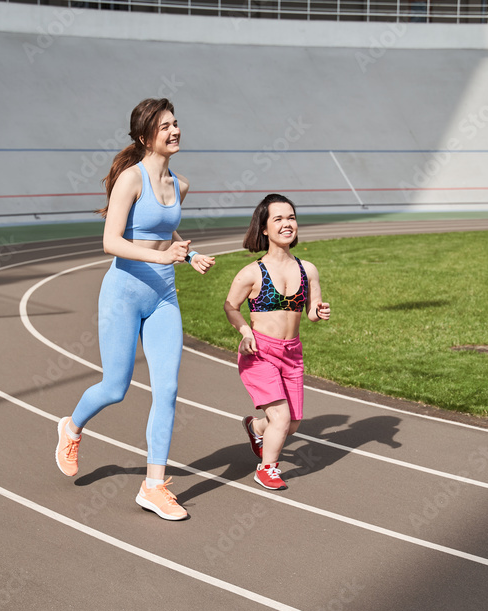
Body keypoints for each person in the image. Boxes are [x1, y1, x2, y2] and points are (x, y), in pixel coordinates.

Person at [54, 98, 215, 521]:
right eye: (165, 126)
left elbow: (163, 228)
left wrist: (187, 254)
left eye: (176, 123)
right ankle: (71, 428)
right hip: (124, 292)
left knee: (167, 390)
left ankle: (154, 486)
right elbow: (111, 241)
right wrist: (161, 257)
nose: (175, 130)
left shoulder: (180, 186)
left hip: (163, 296)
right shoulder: (131, 179)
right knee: (115, 387)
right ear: (146, 136)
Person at [223, 194, 330, 490]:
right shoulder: (252, 273)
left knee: (292, 424)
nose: (287, 224)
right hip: (260, 352)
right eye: (278, 219)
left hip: (292, 353)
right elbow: (231, 306)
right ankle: (267, 469)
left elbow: (311, 312)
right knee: (281, 417)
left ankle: (257, 428)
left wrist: (319, 312)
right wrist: (245, 332)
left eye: (291, 217)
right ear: (265, 229)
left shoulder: (307, 270)